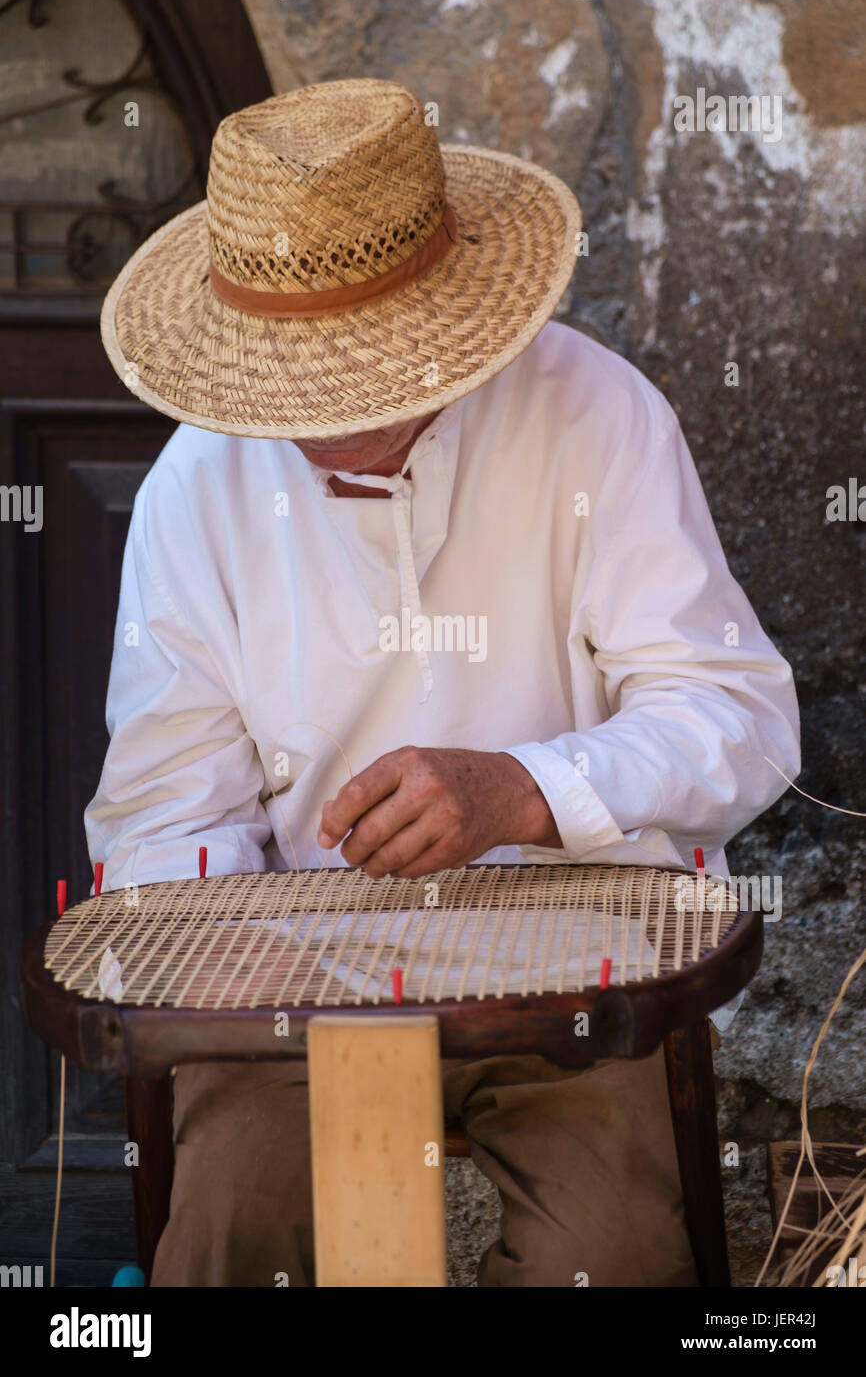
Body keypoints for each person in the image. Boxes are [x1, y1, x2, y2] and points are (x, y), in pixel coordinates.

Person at [87, 78, 800, 1287]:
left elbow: (741, 727)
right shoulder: (192, 492)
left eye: (360, 369)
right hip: (292, 1003)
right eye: (298, 376)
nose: (327, 411)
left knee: (614, 1260)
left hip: (574, 979)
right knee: (224, 1240)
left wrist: (525, 789)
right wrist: (236, 956)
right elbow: (162, 818)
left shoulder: (597, 418)